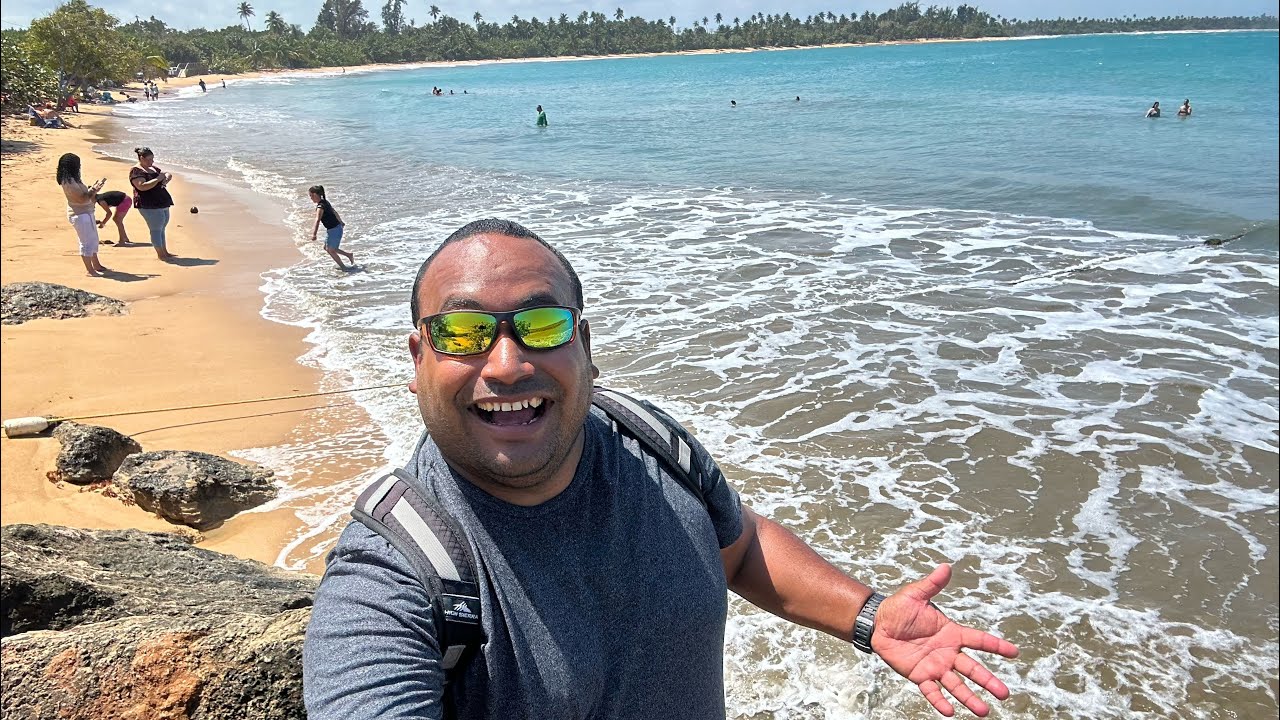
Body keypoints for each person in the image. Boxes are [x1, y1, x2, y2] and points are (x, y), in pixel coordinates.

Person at [302, 218, 1021, 719]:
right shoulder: (393, 571)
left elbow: (734, 544)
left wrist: (868, 618)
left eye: (543, 325)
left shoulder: (651, 444)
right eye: (463, 331)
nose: (509, 363)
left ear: (584, 345)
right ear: (417, 358)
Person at [56, 154, 109, 277]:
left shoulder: (73, 179)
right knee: (86, 243)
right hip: (79, 214)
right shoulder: (68, 182)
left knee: (94, 240)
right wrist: (94, 190)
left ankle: (96, 265)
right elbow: (82, 199)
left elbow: (84, 196)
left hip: (86, 212)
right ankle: (90, 271)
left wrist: (94, 189)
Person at [128, 147, 176, 261]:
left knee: (162, 227)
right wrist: (158, 179)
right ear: (141, 158)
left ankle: (165, 251)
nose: (152, 162)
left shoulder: (153, 168)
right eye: (149, 159)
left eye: (152, 159)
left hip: (161, 201)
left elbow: (165, 173)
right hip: (148, 203)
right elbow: (141, 186)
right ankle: (160, 254)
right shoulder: (136, 171)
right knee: (156, 229)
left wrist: (167, 177)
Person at [309, 185, 355, 270]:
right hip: (333, 229)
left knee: (331, 250)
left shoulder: (321, 206)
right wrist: (340, 221)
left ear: (315, 194)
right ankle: (348, 255)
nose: (311, 198)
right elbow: (334, 211)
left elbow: (317, 220)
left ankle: (344, 268)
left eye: (311, 196)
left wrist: (314, 234)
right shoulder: (325, 202)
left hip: (335, 230)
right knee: (327, 248)